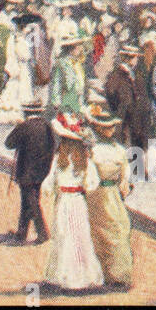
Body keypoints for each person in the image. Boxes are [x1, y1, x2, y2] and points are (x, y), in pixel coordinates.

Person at [41, 112, 105, 291]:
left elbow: (48, 185)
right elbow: (93, 184)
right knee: (80, 237)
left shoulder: (59, 160)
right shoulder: (85, 161)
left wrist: (53, 191)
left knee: (63, 236)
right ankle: (81, 276)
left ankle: (64, 276)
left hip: (64, 202)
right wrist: (83, 186)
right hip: (78, 201)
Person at [84, 103, 134, 287]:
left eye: (112, 127)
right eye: (105, 127)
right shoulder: (91, 150)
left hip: (113, 194)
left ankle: (119, 274)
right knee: (98, 232)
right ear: (97, 127)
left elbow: (125, 173)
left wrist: (124, 185)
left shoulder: (119, 149)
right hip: (96, 195)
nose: (110, 130)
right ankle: (102, 273)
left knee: (120, 229)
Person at [4, 104, 53, 244]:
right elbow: (53, 145)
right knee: (28, 199)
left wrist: (17, 128)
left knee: (31, 201)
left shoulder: (25, 126)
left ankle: (42, 232)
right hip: (42, 170)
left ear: (26, 113)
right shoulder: (46, 126)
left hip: (26, 170)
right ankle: (22, 232)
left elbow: (9, 143)